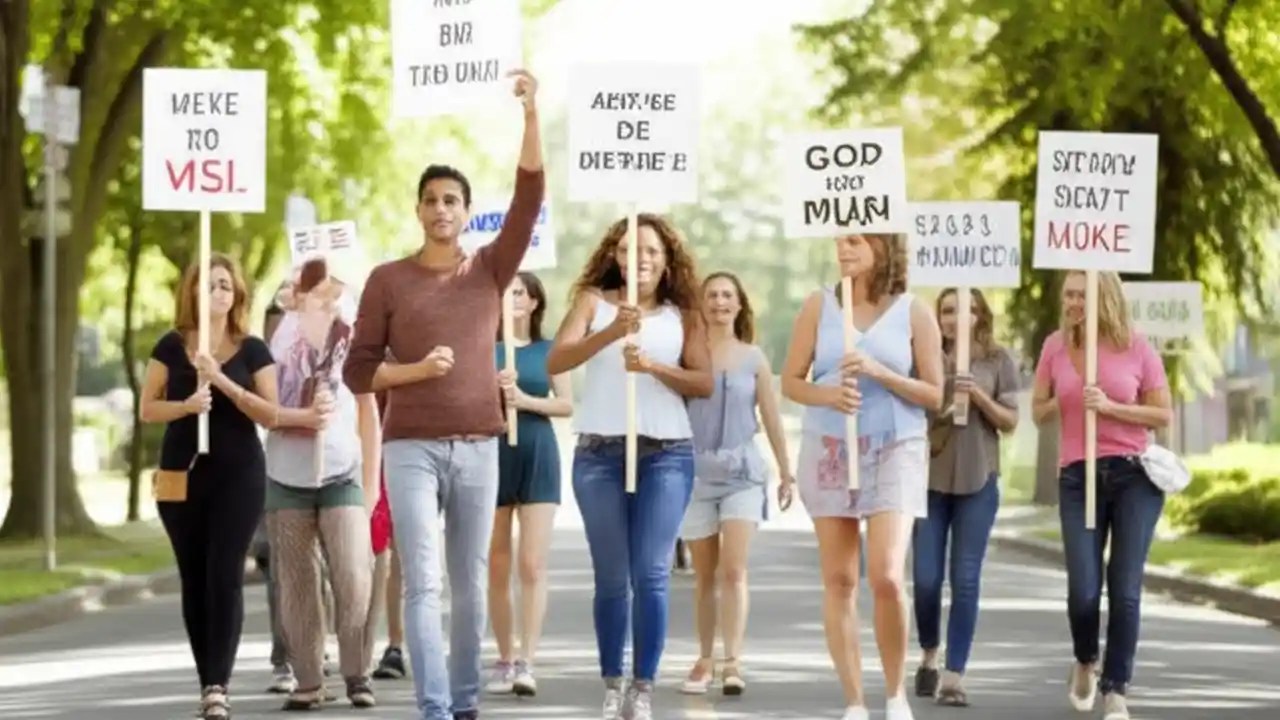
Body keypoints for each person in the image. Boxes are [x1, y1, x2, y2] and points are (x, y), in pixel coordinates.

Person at [342, 69, 544, 720]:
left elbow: (530, 196)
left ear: (464, 210)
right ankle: (433, 708)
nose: (441, 209)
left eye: (452, 199)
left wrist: (531, 113)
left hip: (480, 445)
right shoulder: (387, 281)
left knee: (471, 583)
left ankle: (463, 703)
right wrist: (413, 372)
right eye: (431, 199)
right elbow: (357, 371)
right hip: (410, 450)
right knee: (422, 581)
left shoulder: (488, 269)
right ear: (419, 209)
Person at [139, 253, 329, 720]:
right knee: (194, 578)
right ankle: (207, 678)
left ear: (237, 295)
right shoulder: (169, 347)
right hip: (180, 473)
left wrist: (220, 380)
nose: (218, 293)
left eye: (226, 285)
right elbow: (148, 409)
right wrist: (186, 405)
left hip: (239, 475)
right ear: (192, 293)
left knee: (225, 575)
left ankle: (217, 687)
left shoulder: (252, 349)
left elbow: (270, 413)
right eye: (209, 285)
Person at [546, 213, 713, 720]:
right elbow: (555, 362)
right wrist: (611, 333)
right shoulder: (593, 303)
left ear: (666, 262)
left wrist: (653, 366)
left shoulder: (683, 312)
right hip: (599, 453)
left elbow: (703, 382)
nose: (638, 259)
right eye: (628, 250)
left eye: (650, 252)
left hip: (665, 454)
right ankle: (612, 681)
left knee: (651, 572)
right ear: (614, 256)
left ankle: (644, 685)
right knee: (613, 576)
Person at [779, 233, 943, 720]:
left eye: (855, 241)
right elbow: (790, 381)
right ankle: (855, 700)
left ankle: (895, 694)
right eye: (838, 242)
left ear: (882, 245)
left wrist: (880, 372)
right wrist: (828, 395)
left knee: (887, 575)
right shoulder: (818, 305)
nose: (843, 250)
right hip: (829, 447)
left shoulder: (914, 311)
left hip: (896, 446)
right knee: (840, 578)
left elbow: (935, 394)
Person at [1031, 271, 1171, 720]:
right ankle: (1085, 657)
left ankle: (1116, 689)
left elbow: (1161, 412)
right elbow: (1037, 411)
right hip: (1078, 476)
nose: (1071, 301)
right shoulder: (1055, 346)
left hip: (1133, 477)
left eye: (1079, 294)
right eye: (1068, 294)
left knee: (1124, 589)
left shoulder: (1137, 346)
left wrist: (1110, 408)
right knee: (1084, 590)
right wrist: (1064, 402)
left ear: (1103, 297)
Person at [264, 259, 381, 709]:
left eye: (328, 292)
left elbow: (369, 412)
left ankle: (357, 672)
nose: (320, 298)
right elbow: (265, 399)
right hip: (286, 472)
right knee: (296, 580)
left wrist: (370, 483)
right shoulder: (278, 336)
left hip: (341, 468)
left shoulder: (351, 337)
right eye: (308, 290)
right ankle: (309, 679)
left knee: (353, 572)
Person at [679, 271, 794, 697]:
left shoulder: (754, 358)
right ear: (702, 304)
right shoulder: (687, 353)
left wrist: (786, 471)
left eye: (727, 295)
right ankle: (704, 658)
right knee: (704, 574)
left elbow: (773, 417)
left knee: (734, 569)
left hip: (743, 474)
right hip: (695, 475)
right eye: (712, 295)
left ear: (740, 304)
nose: (719, 302)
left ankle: (733, 661)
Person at [912, 288, 1019, 706]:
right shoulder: (923, 356)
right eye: (948, 310)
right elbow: (912, 409)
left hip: (979, 479)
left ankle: (955, 675)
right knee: (925, 579)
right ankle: (928, 654)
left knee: (966, 578)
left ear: (980, 316)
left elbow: (1010, 420)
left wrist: (977, 396)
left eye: (967, 309)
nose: (956, 317)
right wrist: (942, 394)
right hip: (928, 480)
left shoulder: (999, 360)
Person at [485, 271, 572, 697]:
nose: (513, 298)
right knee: (497, 561)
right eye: (506, 291)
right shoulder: (485, 348)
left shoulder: (550, 350)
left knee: (532, 563)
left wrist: (526, 400)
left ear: (534, 302)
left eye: (520, 292)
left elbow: (567, 403)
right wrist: (495, 395)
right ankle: (503, 656)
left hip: (538, 452)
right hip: (494, 453)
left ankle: (528, 660)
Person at [367, 388, 408, 681]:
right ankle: (357, 646)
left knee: (400, 554)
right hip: (370, 448)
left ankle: (396, 644)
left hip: (413, 446)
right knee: (371, 551)